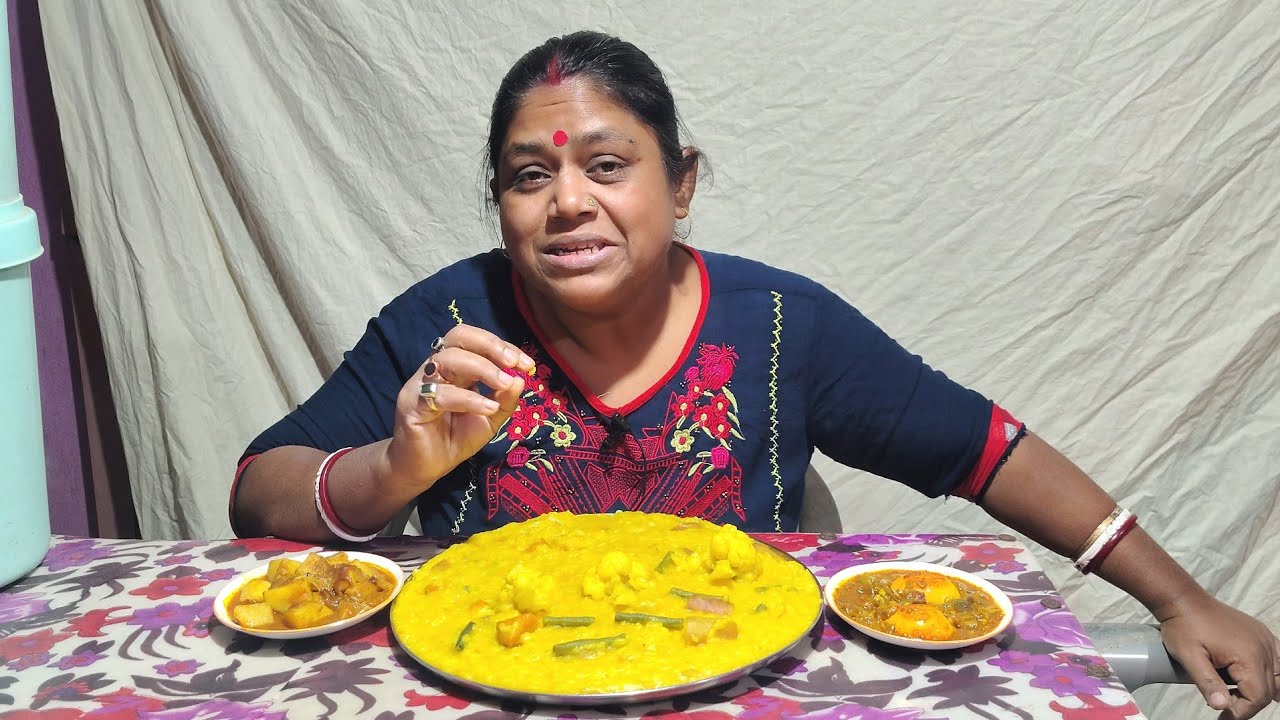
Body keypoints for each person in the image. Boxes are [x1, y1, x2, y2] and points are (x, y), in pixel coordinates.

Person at [231, 30, 1278, 718]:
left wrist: (1180, 600)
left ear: (679, 184)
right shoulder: (447, 323)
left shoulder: (781, 327)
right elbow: (256, 494)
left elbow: (984, 450)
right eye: (526, 175)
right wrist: (393, 465)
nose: (566, 203)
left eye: (606, 165)